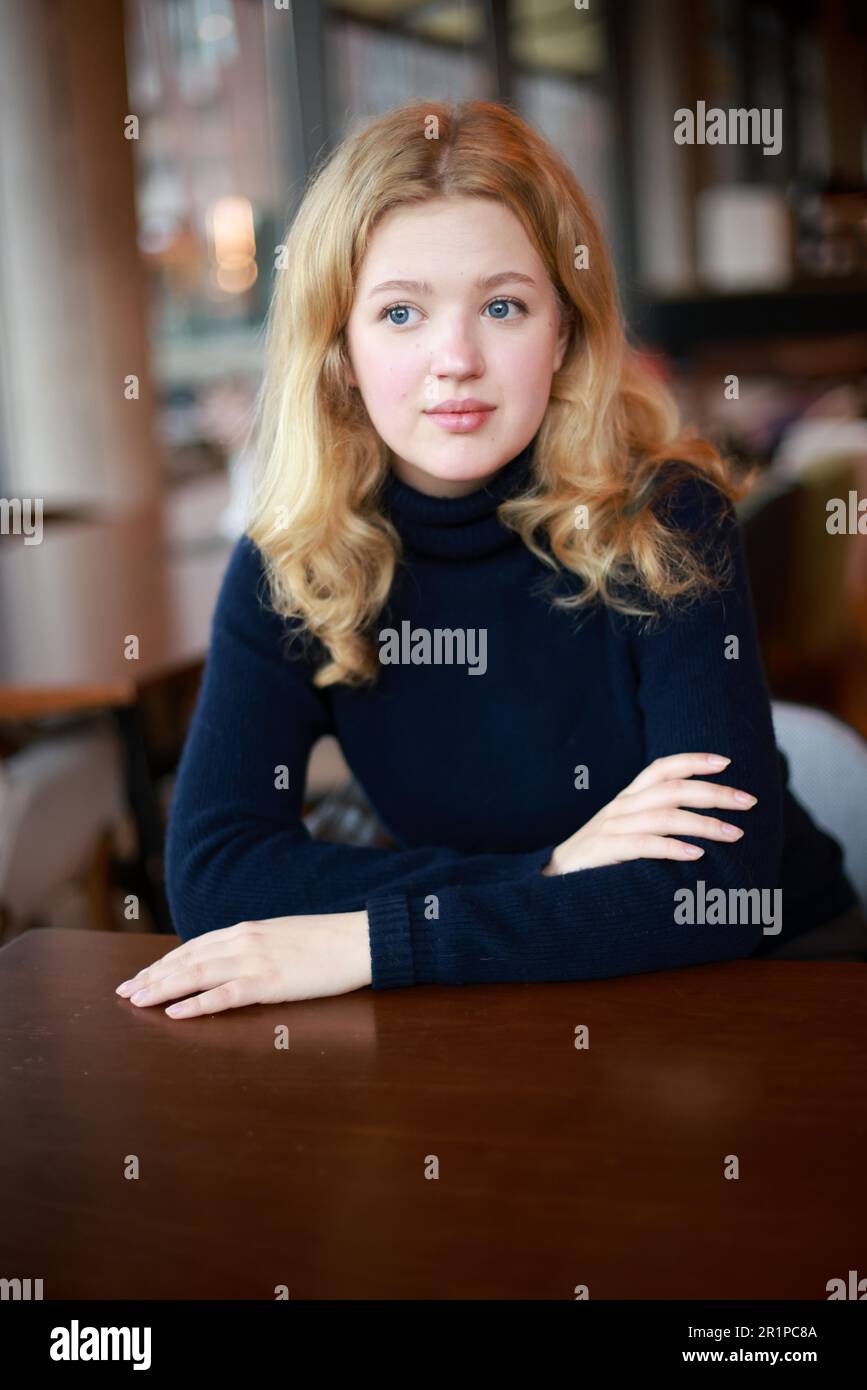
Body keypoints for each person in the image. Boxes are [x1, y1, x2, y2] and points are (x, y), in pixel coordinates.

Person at [116, 100, 865, 1019]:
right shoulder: (294, 561)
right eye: (399, 313)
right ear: (340, 349)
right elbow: (215, 878)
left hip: (770, 987)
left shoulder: (665, 518)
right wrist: (547, 870)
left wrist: (373, 938)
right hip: (510, 998)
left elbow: (712, 892)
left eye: (502, 306)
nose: (455, 360)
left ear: (564, 332)